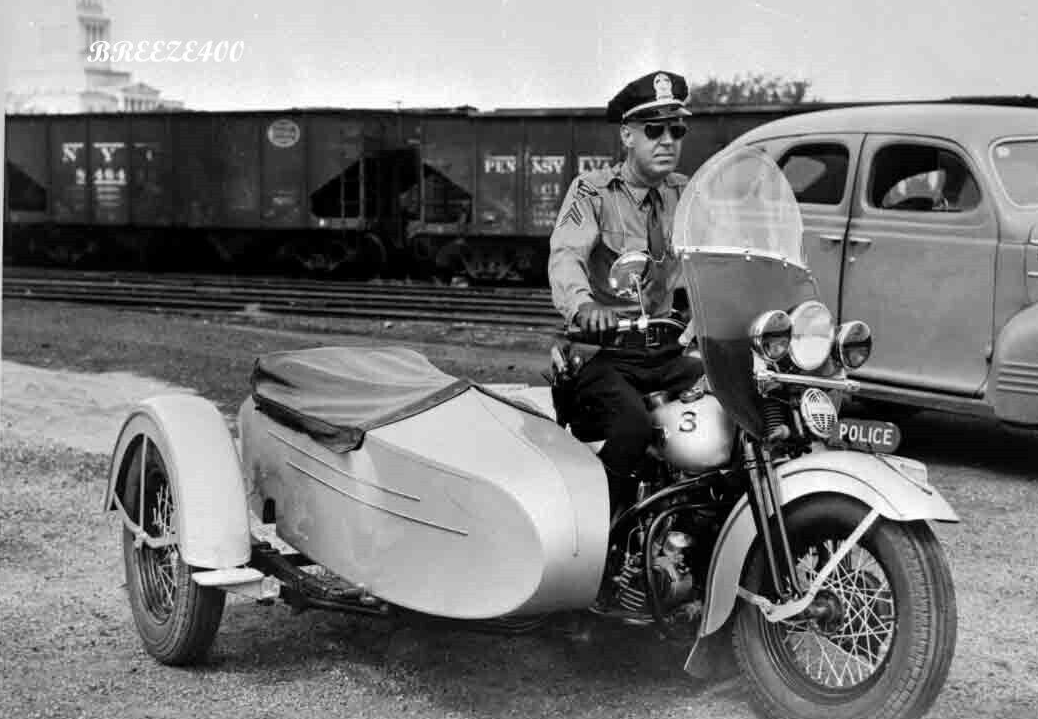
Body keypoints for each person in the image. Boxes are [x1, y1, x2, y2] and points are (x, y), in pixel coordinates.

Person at [548, 71, 704, 511]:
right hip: (606, 352)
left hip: (667, 350)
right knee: (633, 427)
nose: (667, 140)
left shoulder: (687, 193)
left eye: (677, 129)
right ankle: (606, 531)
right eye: (654, 130)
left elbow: (714, 257)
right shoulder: (592, 192)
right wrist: (583, 304)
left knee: (734, 407)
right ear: (627, 136)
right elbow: (566, 254)